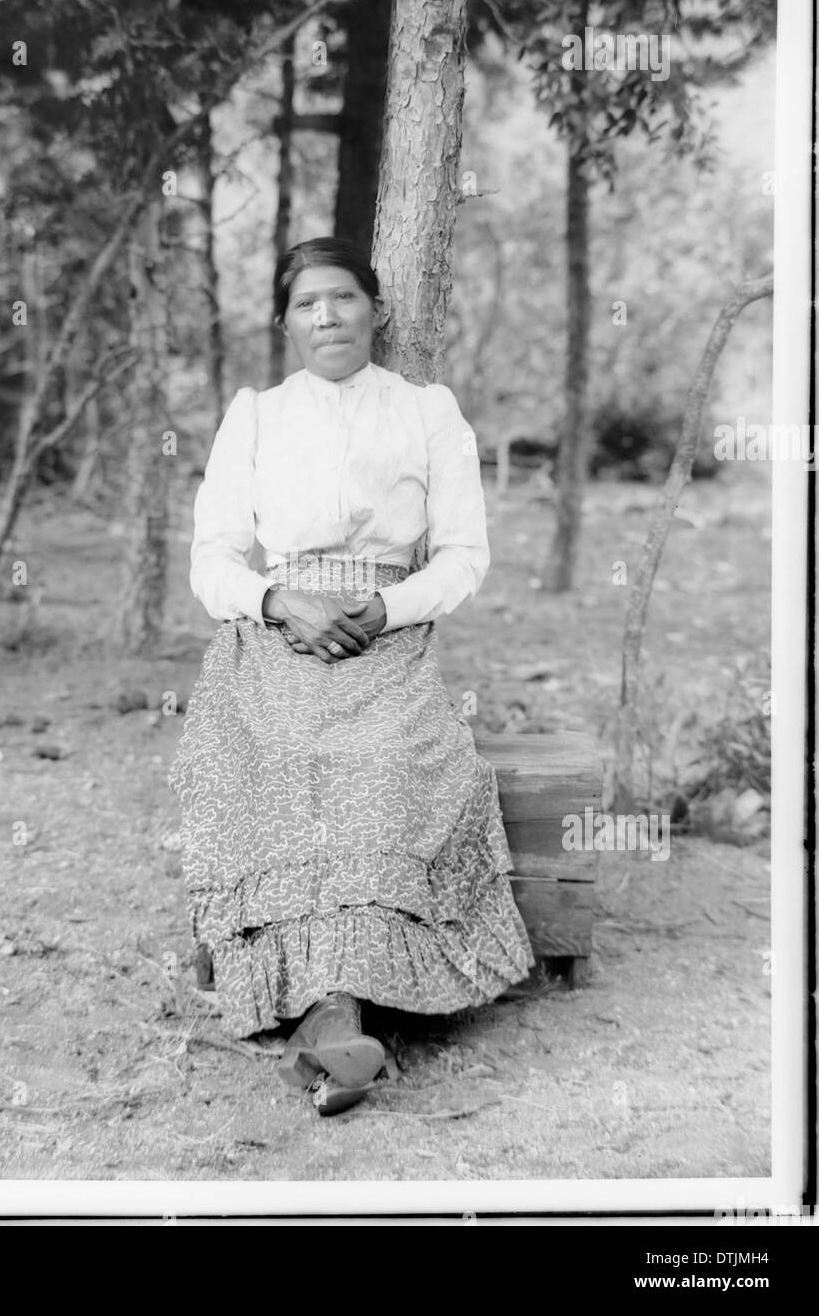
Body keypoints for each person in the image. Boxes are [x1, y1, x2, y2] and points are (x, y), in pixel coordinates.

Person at [169, 237, 533, 1116]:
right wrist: (278, 601)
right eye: (306, 304)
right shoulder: (255, 413)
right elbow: (211, 561)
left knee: (381, 770)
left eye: (342, 298)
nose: (326, 315)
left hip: (386, 642)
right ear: (286, 322)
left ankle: (332, 1020)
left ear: (376, 310)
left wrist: (387, 609)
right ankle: (335, 1021)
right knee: (277, 764)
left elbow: (462, 557)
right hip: (273, 643)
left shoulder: (427, 410)